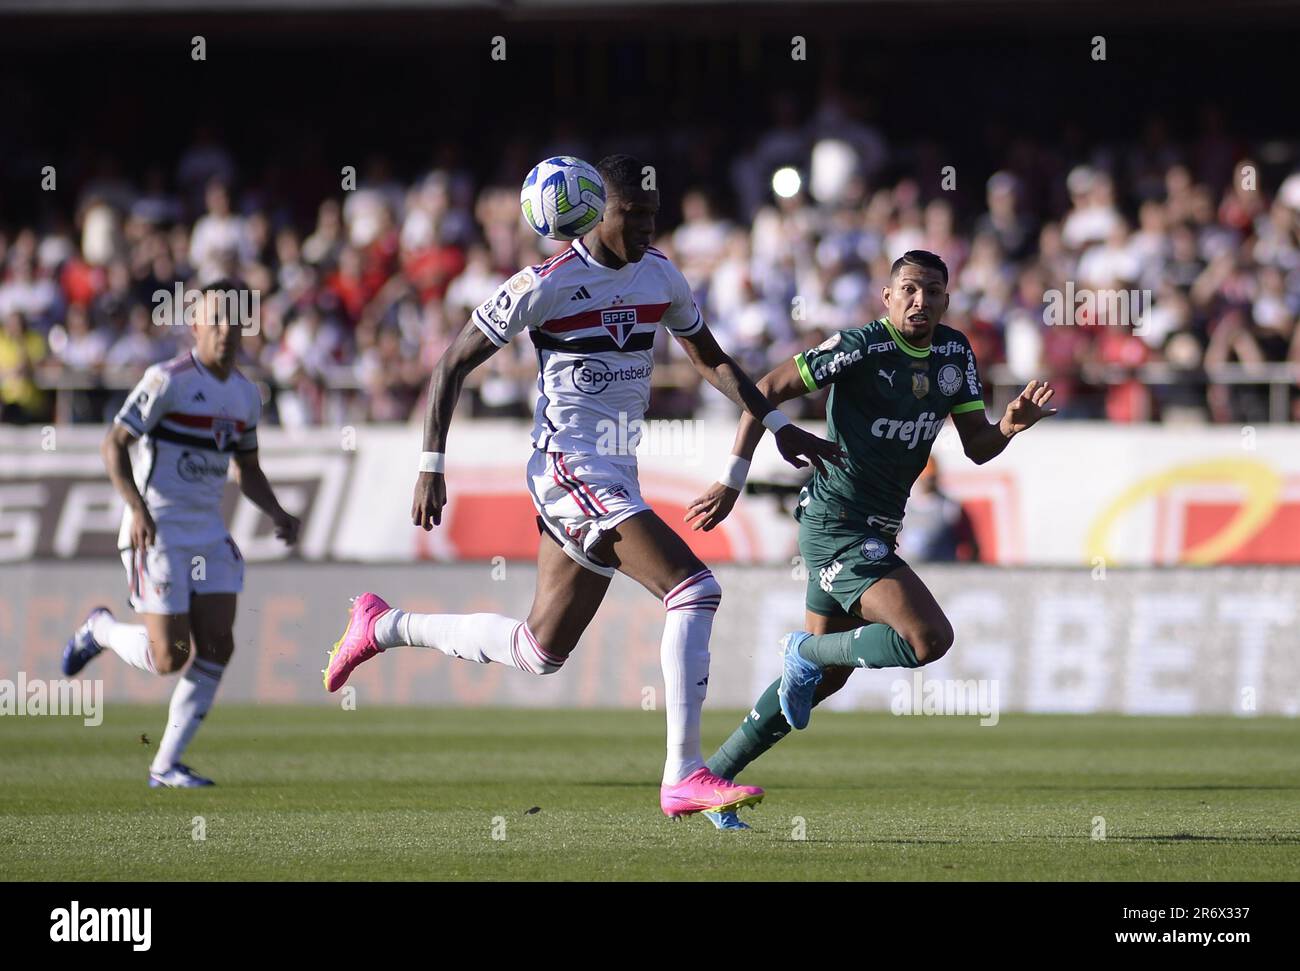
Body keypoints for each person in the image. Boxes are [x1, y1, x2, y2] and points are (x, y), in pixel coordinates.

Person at [322, 155, 842, 818]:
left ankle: (381, 624)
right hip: (568, 467)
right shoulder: (546, 283)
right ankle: (684, 773)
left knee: (539, 649)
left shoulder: (660, 275)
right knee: (693, 588)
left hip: (614, 471)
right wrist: (431, 462)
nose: (647, 226)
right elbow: (451, 363)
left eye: (654, 214)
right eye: (633, 214)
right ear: (595, 211)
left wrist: (774, 424)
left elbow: (708, 358)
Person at [686, 250, 1055, 829]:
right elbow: (766, 387)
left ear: (946, 300)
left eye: (932, 291)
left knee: (826, 679)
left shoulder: (955, 353)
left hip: (877, 526)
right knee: (926, 638)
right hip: (836, 525)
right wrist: (732, 478)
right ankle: (802, 650)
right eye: (908, 289)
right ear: (887, 297)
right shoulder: (861, 347)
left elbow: (978, 445)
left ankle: (715, 781)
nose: (920, 301)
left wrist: (1009, 425)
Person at [62, 279, 301, 787]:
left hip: (208, 530)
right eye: (214, 321)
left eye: (234, 322)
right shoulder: (165, 380)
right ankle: (100, 630)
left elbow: (247, 469)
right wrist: (137, 508)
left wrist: (277, 513)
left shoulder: (245, 395)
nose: (226, 331)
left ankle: (165, 764)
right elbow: (114, 444)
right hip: (159, 528)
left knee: (218, 646)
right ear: (194, 327)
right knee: (168, 657)